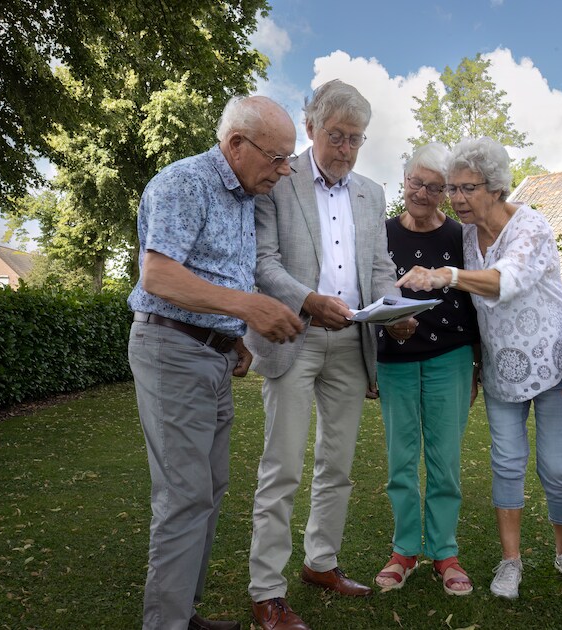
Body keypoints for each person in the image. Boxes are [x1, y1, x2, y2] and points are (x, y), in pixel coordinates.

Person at [127, 96, 304, 630]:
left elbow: (217, 273)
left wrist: (232, 337)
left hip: (212, 352)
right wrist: (246, 308)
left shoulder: (243, 195)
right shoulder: (186, 183)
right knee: (184, 496)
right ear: (236, 144)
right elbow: (158, 275)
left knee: (209, 488)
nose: (285, 170)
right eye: (277, 158)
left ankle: (182, 613)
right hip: (172, 350)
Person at [397, 137, 562, 602]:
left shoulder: (531, 226)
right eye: (453, 188)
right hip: (501, 371)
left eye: (468, 188)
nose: (457, 198)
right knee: (506, 464)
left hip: (552, 365)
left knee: (556, 468)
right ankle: (511, 561)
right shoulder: (466, 234)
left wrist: (445, 275)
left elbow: (508, 280)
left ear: (497, 187)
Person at [244, 79, 404, 630]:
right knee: (283, 467)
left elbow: (379, 267)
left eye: (356, 139)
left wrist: (395, 309)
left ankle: (321, 563)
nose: (346, 149)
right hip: (295, 333)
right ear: (311, 127)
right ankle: (267, 590)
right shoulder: (280, 179)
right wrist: (310, 300)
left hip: (353, 341)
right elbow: (263, 262)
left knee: (337, 466)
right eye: (337, 136)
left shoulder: (371, 193)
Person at [373, 143, 481, 596]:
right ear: (404, 180)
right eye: (415, 182)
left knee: (445, 461)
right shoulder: (379, 233)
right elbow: (367, 291)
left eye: (435, 188)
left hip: (449, 359)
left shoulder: (460, 236)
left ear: (445, 192)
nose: (422, 193)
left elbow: (476, 302)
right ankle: (404, 551)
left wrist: (476, 364)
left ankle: (444, 552)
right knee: (401, 461)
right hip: (394, 360)